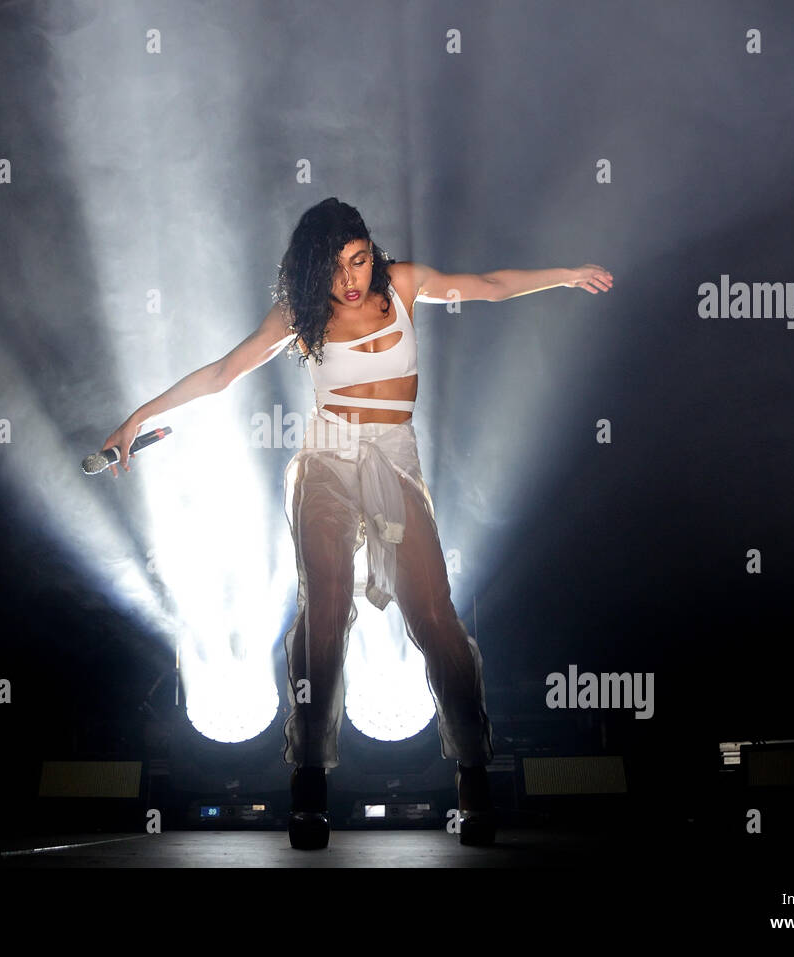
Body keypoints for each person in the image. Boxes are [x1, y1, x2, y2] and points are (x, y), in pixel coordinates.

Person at [101, 198, 612, 848]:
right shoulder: (302, 315)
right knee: (324, 617)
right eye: (336, 267)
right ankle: (309, 780)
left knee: (436, 617)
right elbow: (225, 371)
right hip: (328, 461)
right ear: (313, 271)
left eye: (359, 259)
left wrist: (566, 273)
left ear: (373, 250)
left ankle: (473, 774)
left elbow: (487, 287)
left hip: (395, 462)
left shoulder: (403, 283)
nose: (351, 278)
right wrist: (137, 419)